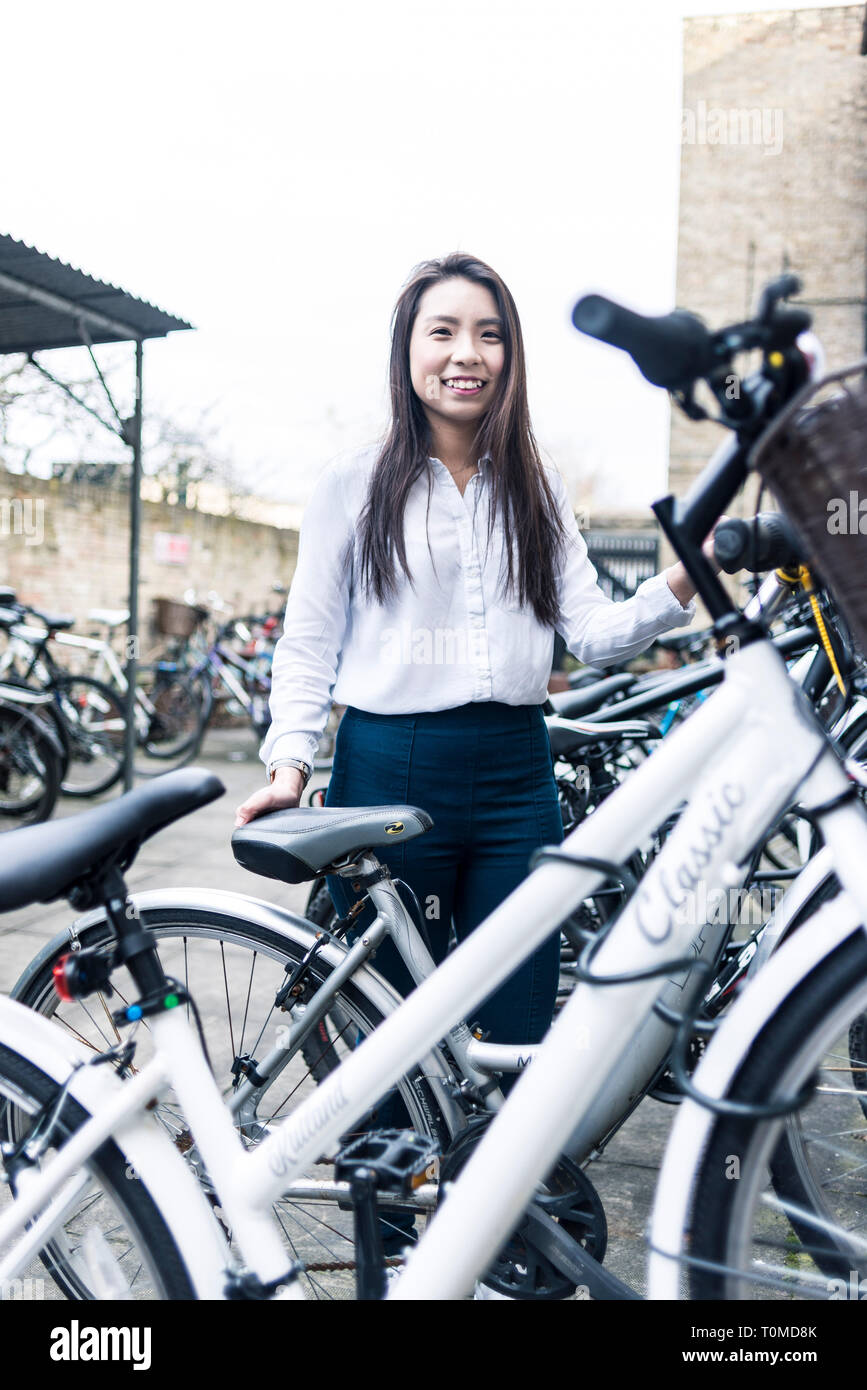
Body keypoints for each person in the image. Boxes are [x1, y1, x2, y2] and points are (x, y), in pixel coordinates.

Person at [234, 251, 712, 1278]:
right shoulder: (352, 482)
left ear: (512, 354)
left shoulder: (535, 484)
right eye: (443, 331)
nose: (468, 354)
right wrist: (289, 760)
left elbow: (596, 633)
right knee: (389, 1032)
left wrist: (685, 573)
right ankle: (392, 1248)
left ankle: (502, 1226)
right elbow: (309, 639)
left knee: (518, 1025)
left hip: (513, 772)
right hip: (389, 761)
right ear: (408, 352)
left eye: (489, 333)